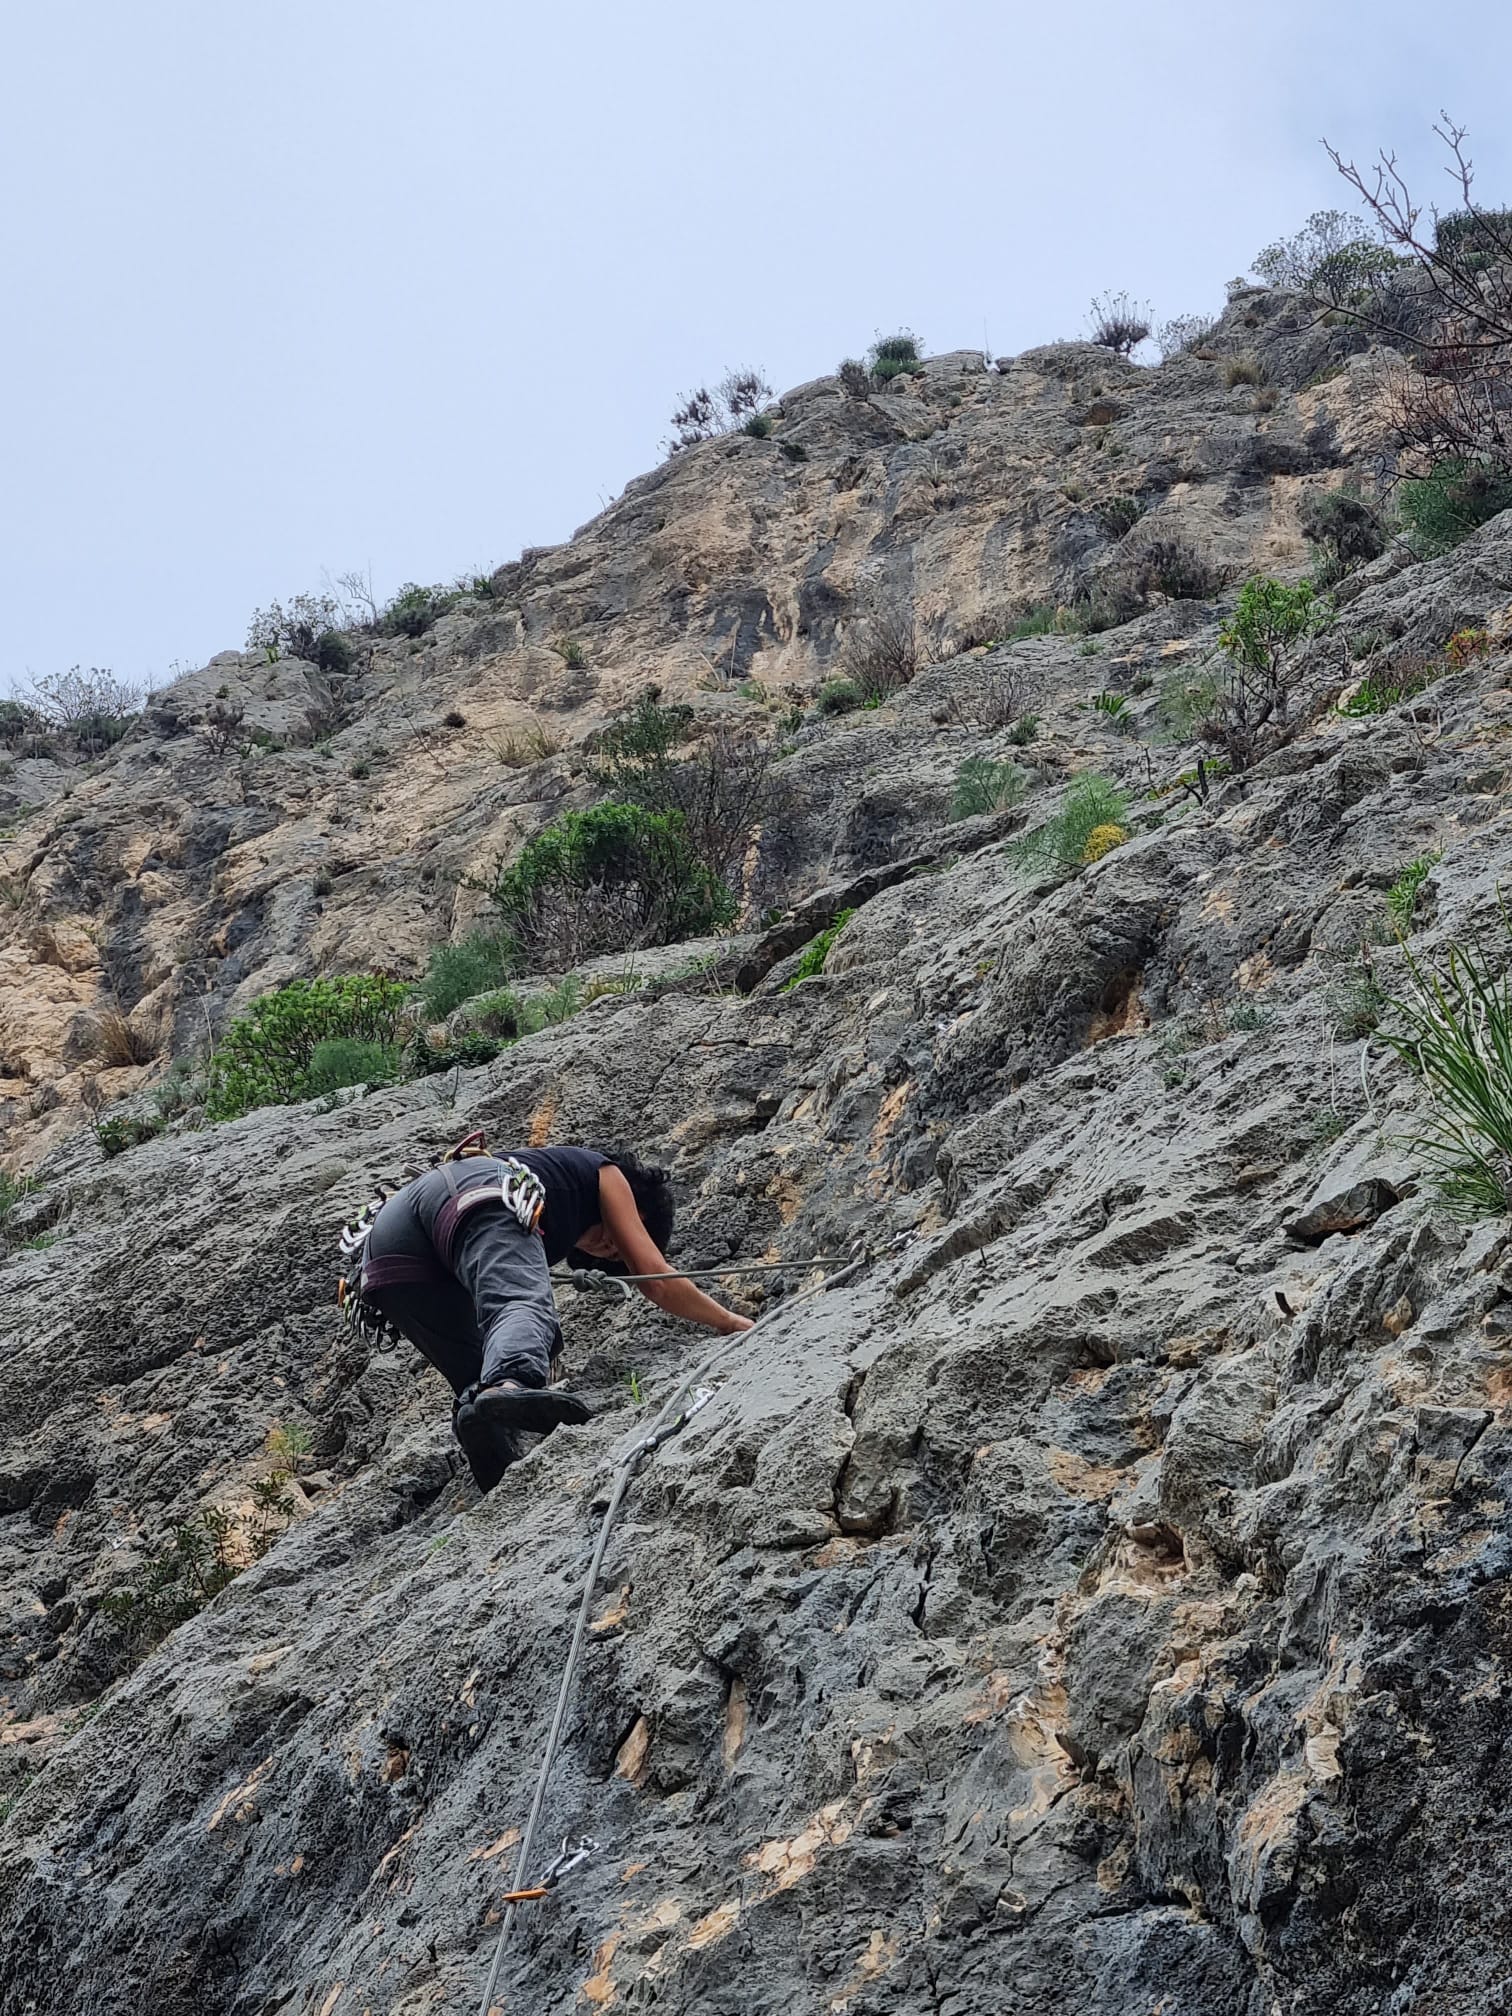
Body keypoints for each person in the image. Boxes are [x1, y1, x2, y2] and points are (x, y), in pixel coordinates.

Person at [350, 1136, 752, 1491]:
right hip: (468, 1194)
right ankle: (507, 1387)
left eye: (613, 1254)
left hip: (386, 1249)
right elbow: (656, 1279)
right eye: (626, 1234)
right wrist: (731, 1322)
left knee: (478, 1366)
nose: (611, 1244)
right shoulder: (606, 1172)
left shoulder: (547, 1224)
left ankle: (485, 1429)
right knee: (523, 1305)